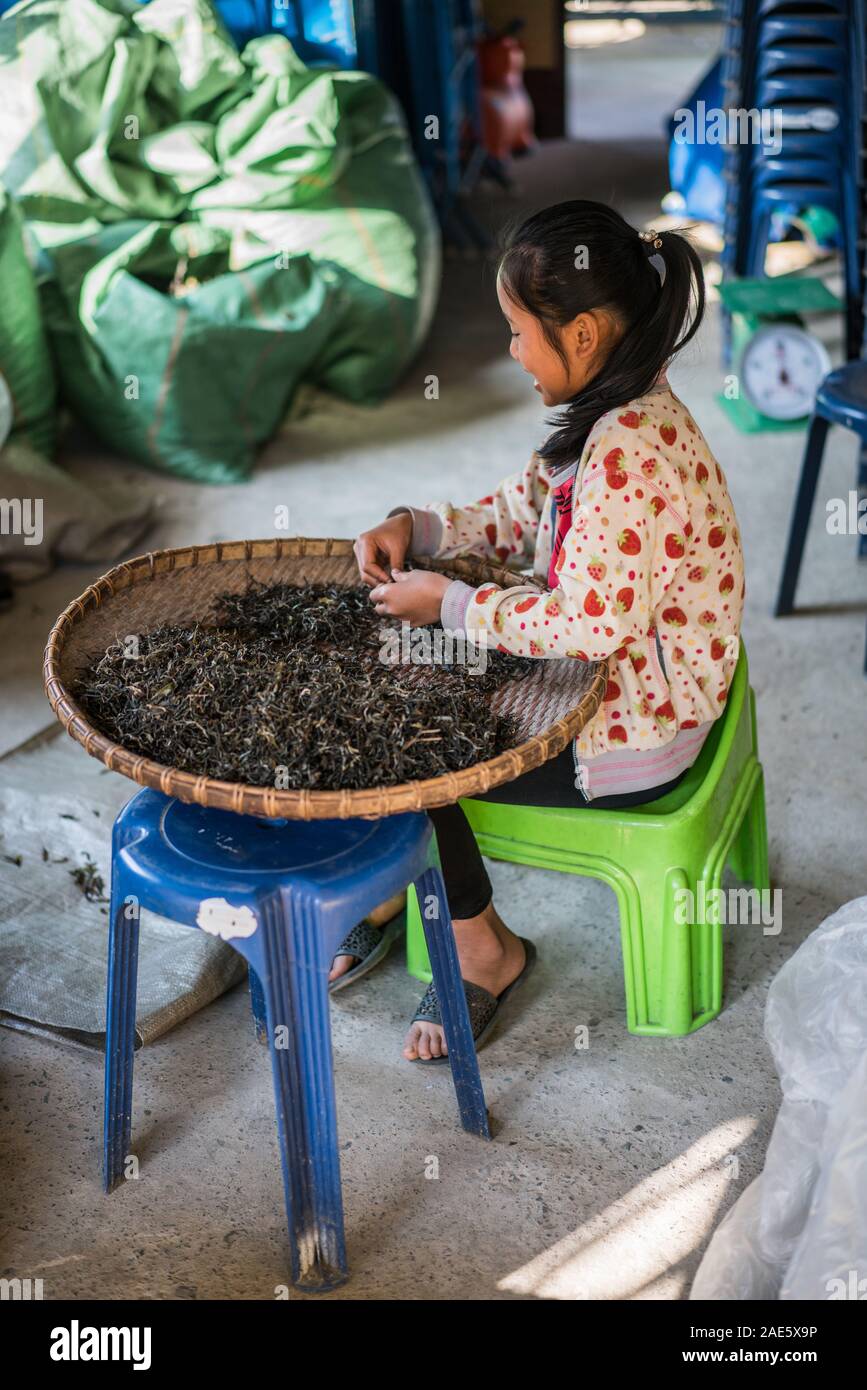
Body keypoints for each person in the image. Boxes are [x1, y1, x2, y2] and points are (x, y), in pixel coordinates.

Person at [343, 199, 744, 1064]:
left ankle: (485, 950)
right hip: (636, 682)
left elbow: (585, 625)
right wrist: (415, 527)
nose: (512, 352)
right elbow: (523, 508)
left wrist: (448, 605)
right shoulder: (612, 414)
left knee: (418, 747)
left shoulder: (631, 454)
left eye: (519, 332)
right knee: (401, 672)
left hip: (631, 727)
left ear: (586, 334)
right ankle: (390, 890)